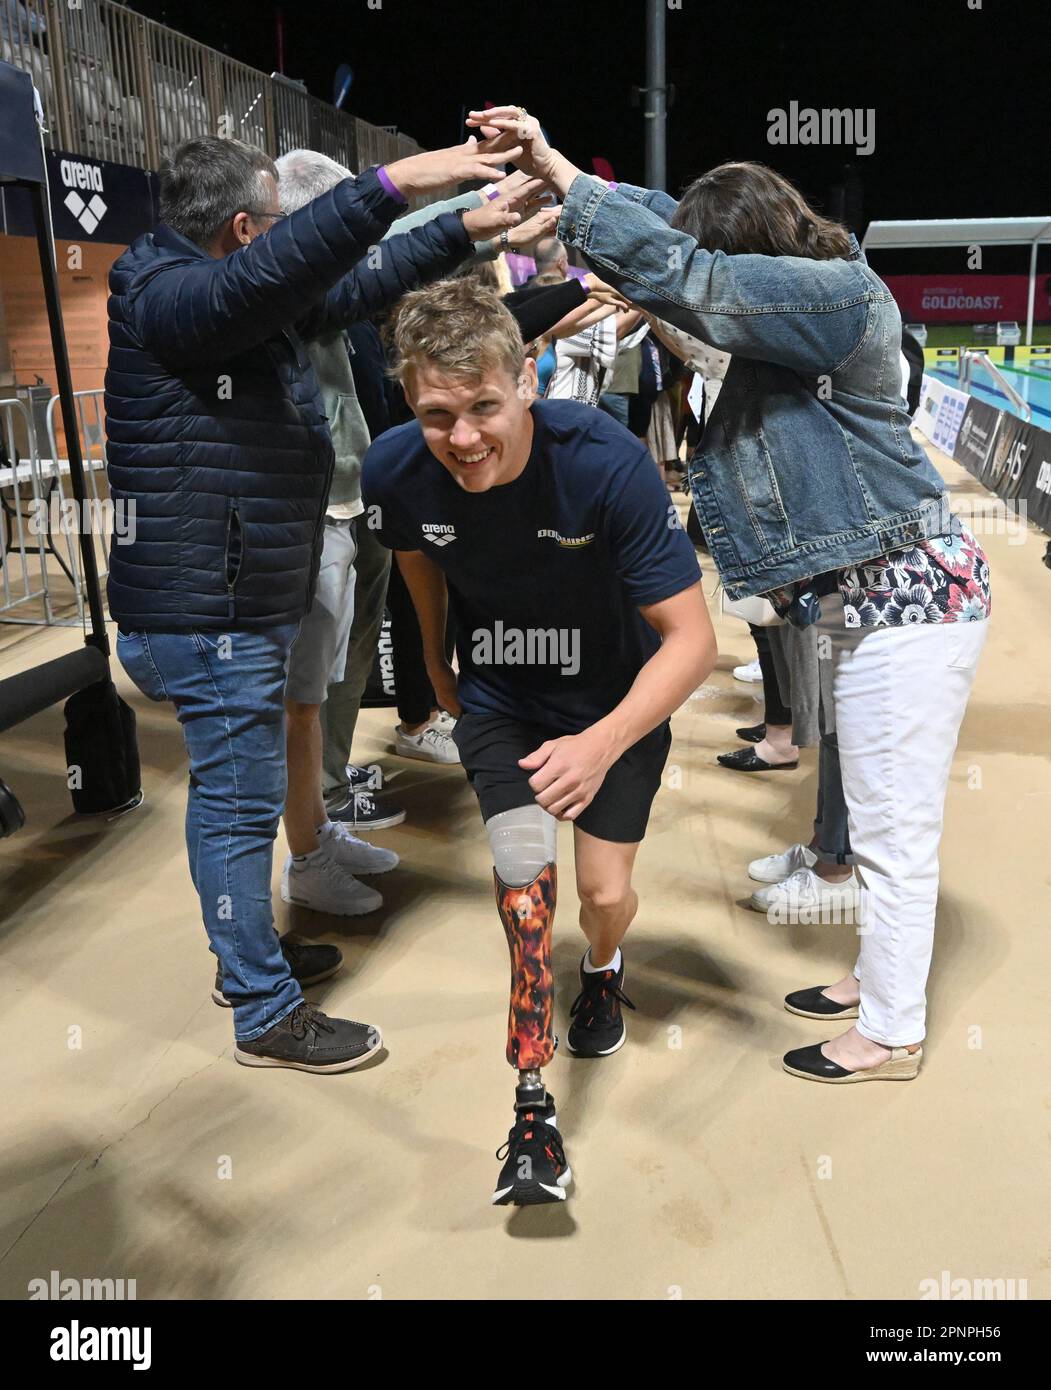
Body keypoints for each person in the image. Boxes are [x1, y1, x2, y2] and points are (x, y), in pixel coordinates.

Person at [473, 105, 991, 1086]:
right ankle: (878, 984)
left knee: (891, 827)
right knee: (880, 817)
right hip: (871, 601)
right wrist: (566, 180)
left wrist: (577, 196)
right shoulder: (804, 286)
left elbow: (695, 271)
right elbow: (680, 232)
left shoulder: (835, 295)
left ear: (750, 247)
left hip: (908, 604)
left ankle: (889, 1029)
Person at [107, 130, 524, 1074]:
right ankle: (261, 1009)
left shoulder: (223, 298)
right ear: (246, 228)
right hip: (204, 609)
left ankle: (244, 953)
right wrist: (389, 185)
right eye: (277, 226)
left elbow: (351, 290)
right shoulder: (167, 293)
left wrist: (460, 226)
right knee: (237, 806)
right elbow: (273, 278)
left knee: (234, 798)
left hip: (232, 595)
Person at [362, 277, 715, 1204]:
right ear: (409, 399)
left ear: (527, 376)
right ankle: (531, 1111)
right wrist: (437, 661)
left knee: (602, 894)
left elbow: (693, 643)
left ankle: (602, 966)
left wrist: (601, 742)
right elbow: (415, 555)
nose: (464, 437)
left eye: (484, 405)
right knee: (526, 890)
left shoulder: (604, 464)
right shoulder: (395, 468)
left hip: (618, 693)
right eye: (438, 414)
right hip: (502, 696)